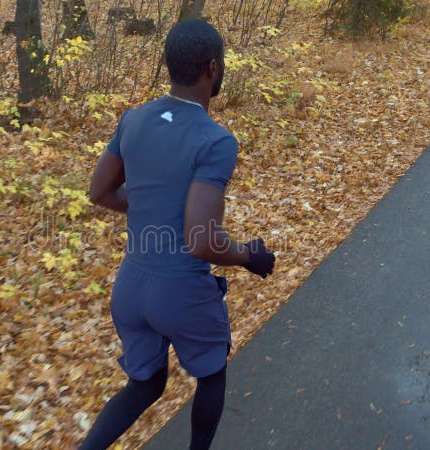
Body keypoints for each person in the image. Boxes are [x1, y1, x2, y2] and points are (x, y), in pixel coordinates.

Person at [81, 19, 276, 450]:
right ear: (212, 68)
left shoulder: (133, 120)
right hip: (181, 292)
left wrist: (154, 204)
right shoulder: (215, 141)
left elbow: (100, 191)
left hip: (130, 287)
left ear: (168, 65)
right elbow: (202, 241)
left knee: (146, 385)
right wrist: (250, 256)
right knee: (211, 375)